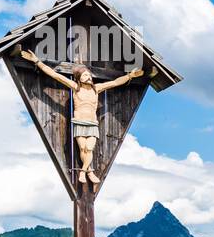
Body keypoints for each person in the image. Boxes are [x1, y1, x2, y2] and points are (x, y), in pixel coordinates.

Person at [26, 49, 144, 188]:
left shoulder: (96, 88)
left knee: (89, 148)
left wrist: (130, 76)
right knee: (83, 149)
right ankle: (90, 172)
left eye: (88, 74)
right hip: (79, 122)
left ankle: (83, 171)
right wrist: (37, 61)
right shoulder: (75, 87)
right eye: (84, 75)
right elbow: (55, 75)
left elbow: (115, 82)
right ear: (79, 78)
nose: (88, 77)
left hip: (92, 123)